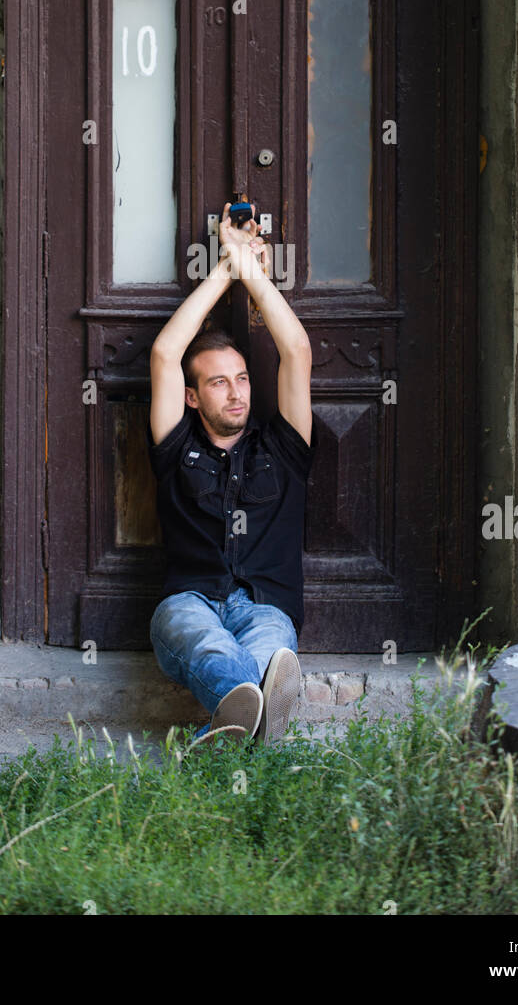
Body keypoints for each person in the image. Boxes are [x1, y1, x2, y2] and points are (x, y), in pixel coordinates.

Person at [147, 202, 317, 748]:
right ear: (193, 397)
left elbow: (296, 349)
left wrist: (254, 275)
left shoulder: (283, 448)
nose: (238, 390)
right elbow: (165, 352)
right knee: (207, 645)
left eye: (242, 378)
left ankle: (227, 727)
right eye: (219, 383)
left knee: (272, 652)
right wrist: (227, 267)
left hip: (265, 605)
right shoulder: (176, 449)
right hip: (190, 602)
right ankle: (257, 715)